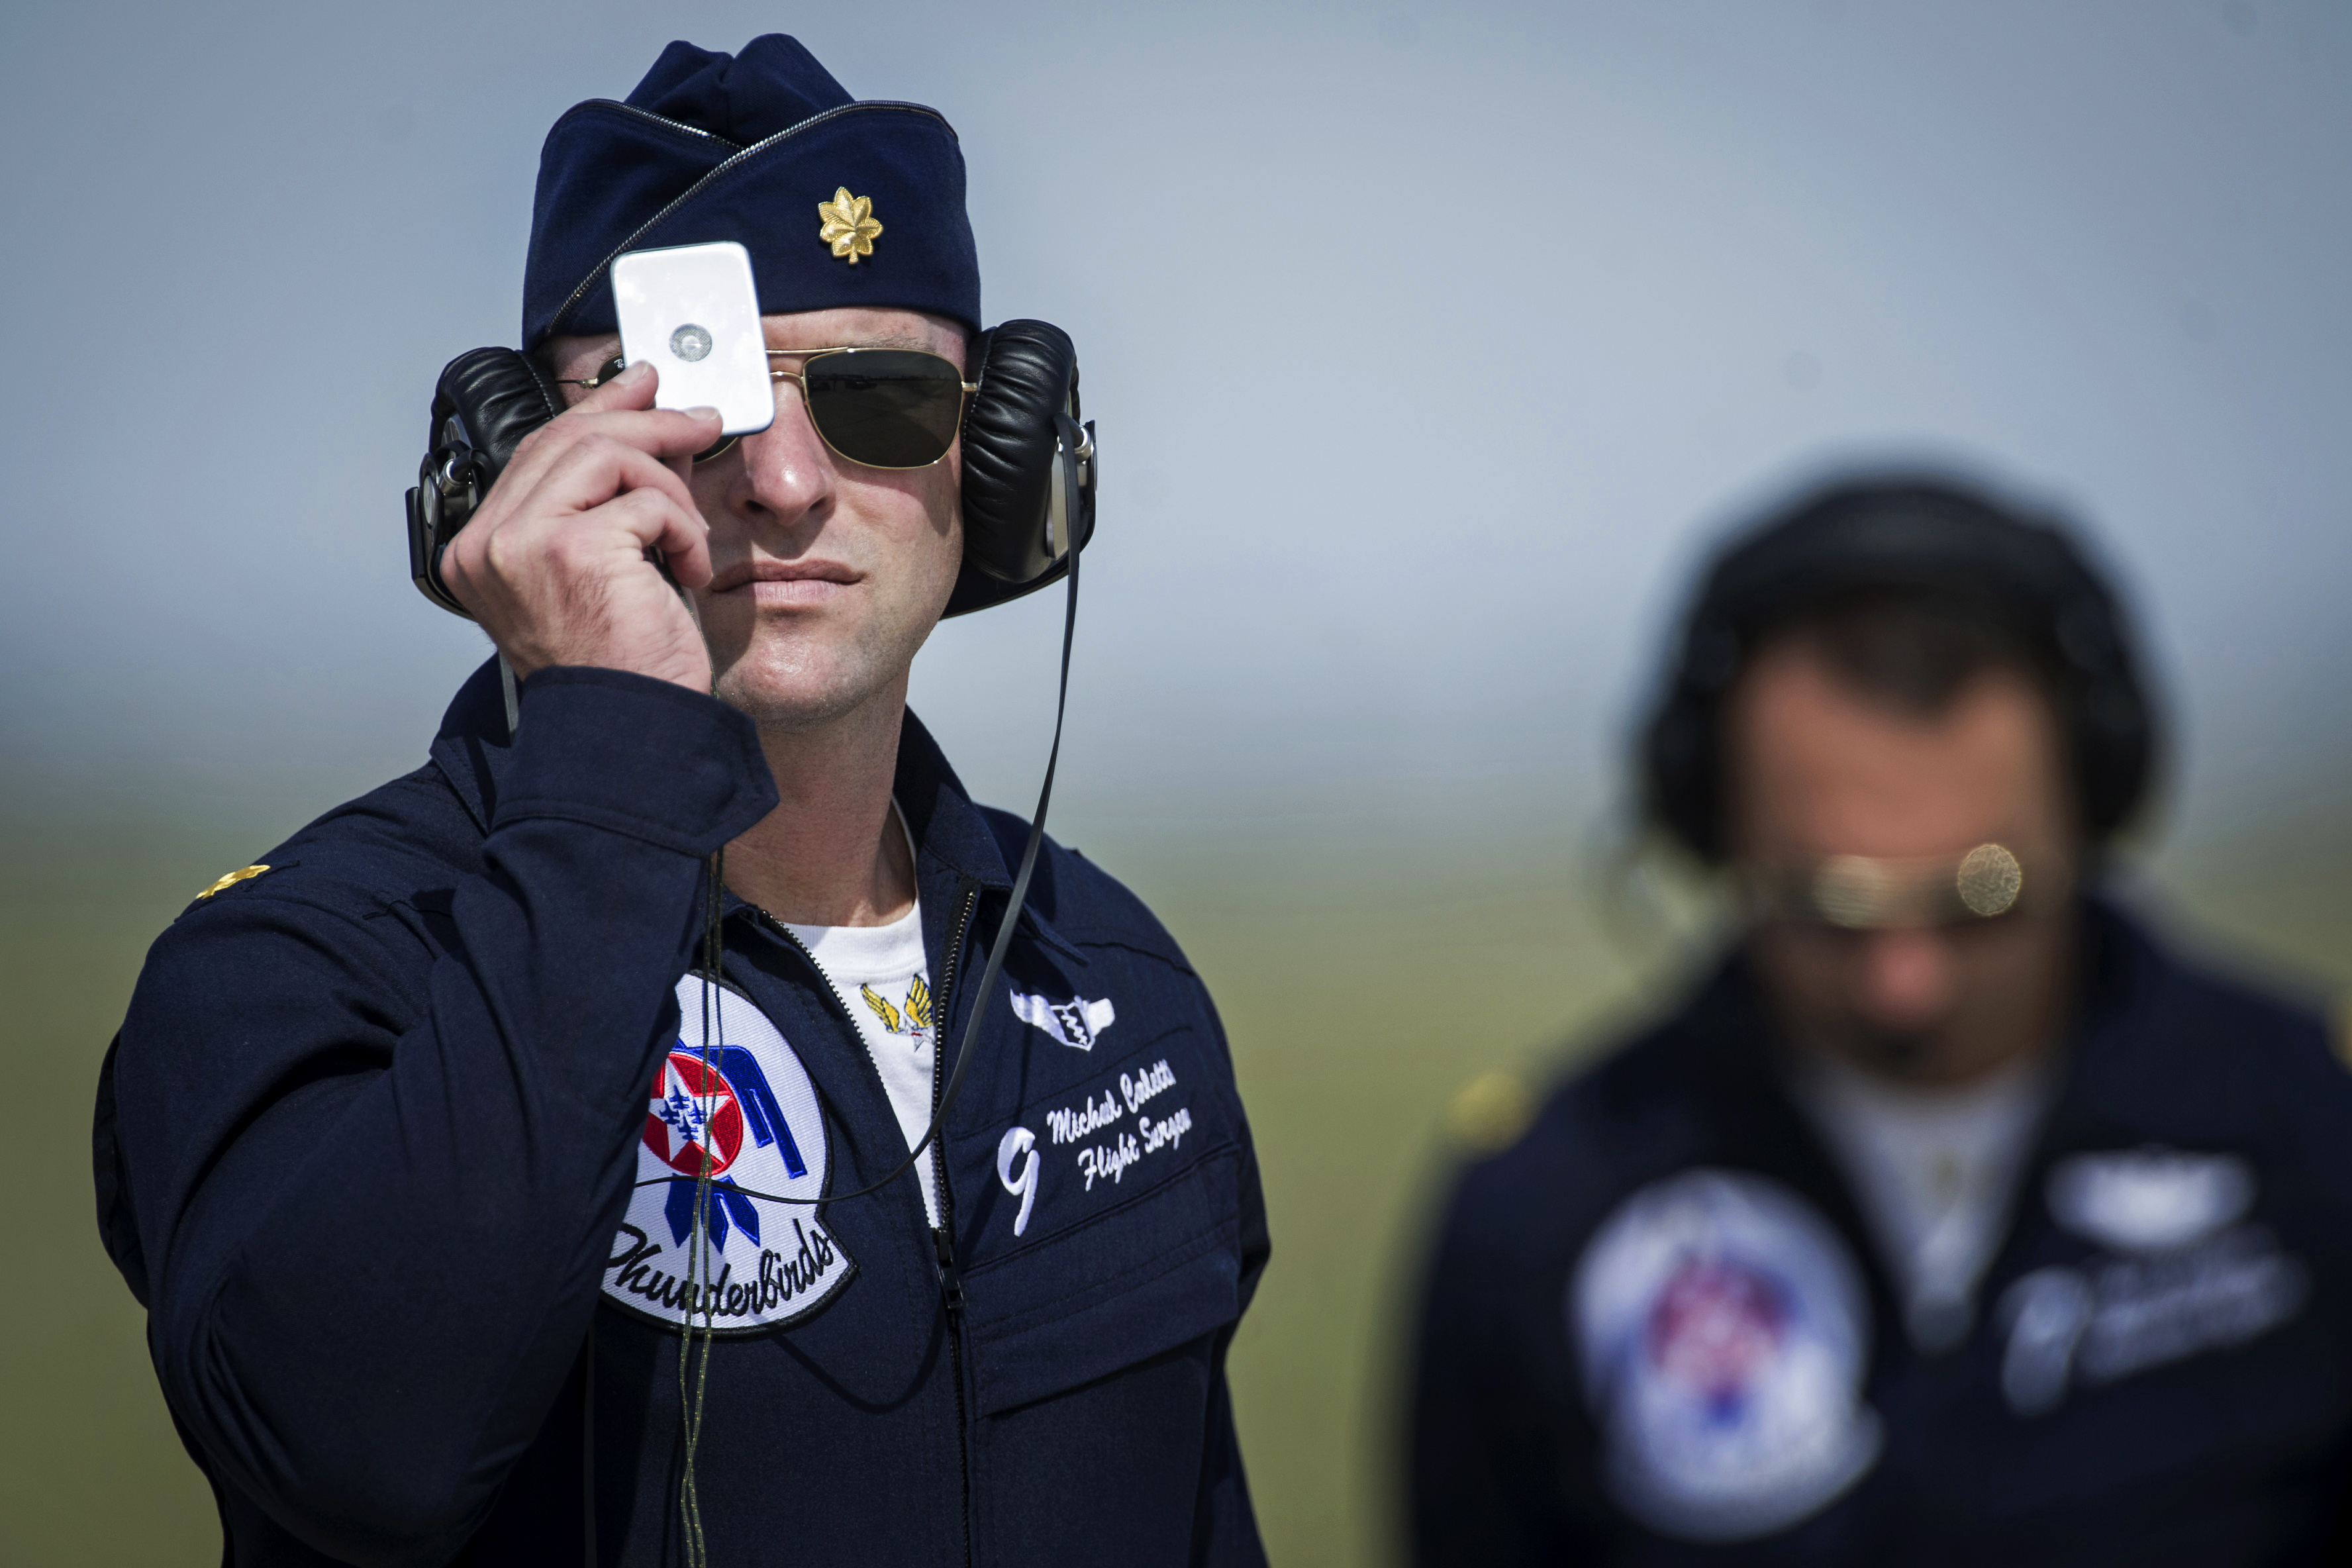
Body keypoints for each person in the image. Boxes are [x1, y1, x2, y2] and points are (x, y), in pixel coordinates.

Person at [93, 36, 1268, 1568]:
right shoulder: (306, 969)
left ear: (999, 453)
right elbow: (361, 1450)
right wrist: (606, 758)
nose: (783, 479)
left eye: (883, 397)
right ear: (516, 466)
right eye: (690, 408)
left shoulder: (1110, 982)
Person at [1408, 477, 2352, 1563]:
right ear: (1712, 826)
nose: (1905, 982)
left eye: (1983, 894)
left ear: (2098, 799)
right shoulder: (1545, 1206)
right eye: (1826, 904)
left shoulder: (2317, 1136)